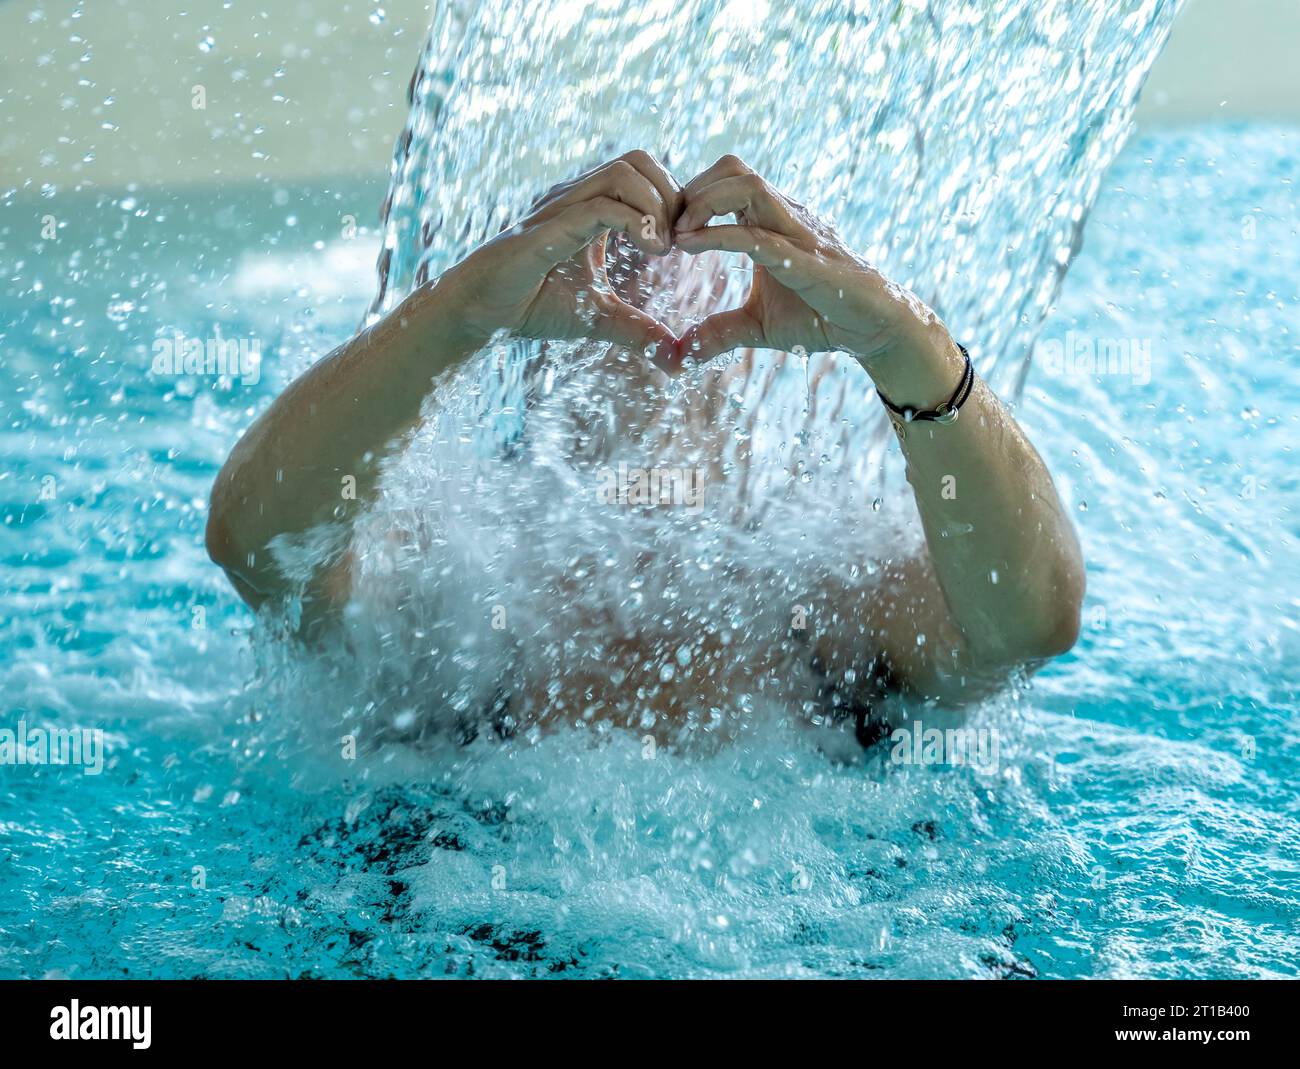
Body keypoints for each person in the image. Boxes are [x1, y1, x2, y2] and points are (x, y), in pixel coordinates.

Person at [206, 150, 1084, 749]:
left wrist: (907, 348)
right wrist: (449, 319)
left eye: (683, 253)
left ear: (749, 358)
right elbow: (258, 544)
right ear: (534, 350)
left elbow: (1030, 621)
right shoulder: (462, 596)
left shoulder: (829, 598)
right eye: (601, 256)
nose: (642, 257)